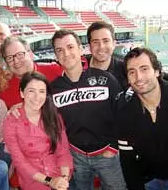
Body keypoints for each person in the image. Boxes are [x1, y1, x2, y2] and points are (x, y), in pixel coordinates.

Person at [50, 29, 126, 190]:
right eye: (60, 50)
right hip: (75, 156)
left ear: (80, 49)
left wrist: (113, 146)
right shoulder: (54, 88)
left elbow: (122, 113)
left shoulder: (105, 78)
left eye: (70, 47)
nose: (66, 53)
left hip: (107, 153)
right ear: (56, 56)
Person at [3, 71, 73, 190]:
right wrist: (50, 181)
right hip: (33, 178)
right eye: (31, 91)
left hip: (58, 173)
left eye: (42, 91)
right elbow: (20, 161)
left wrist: (64, 179)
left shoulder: (53, 116)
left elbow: (63, 151)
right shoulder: (11, 121)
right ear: (22, 93)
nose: (37, 97)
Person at [116, 47, 168, 190]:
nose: (138, 77)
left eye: (144, 69)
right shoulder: (124, 114)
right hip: (150, 181)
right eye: (132, 72)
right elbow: (128, 163)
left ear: (157, 71)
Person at [0, 36, 63, 108]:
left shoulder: (55, 70)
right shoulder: (3, 90)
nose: (16, 61)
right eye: (10, 58)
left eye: (20, 54)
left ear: (31, 54)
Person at [86, 21, 127, 89]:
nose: (101, 46)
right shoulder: (79, 67)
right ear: (89, 46)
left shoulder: (125, 69)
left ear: (114, 44)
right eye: (95, 42)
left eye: (106, 41)